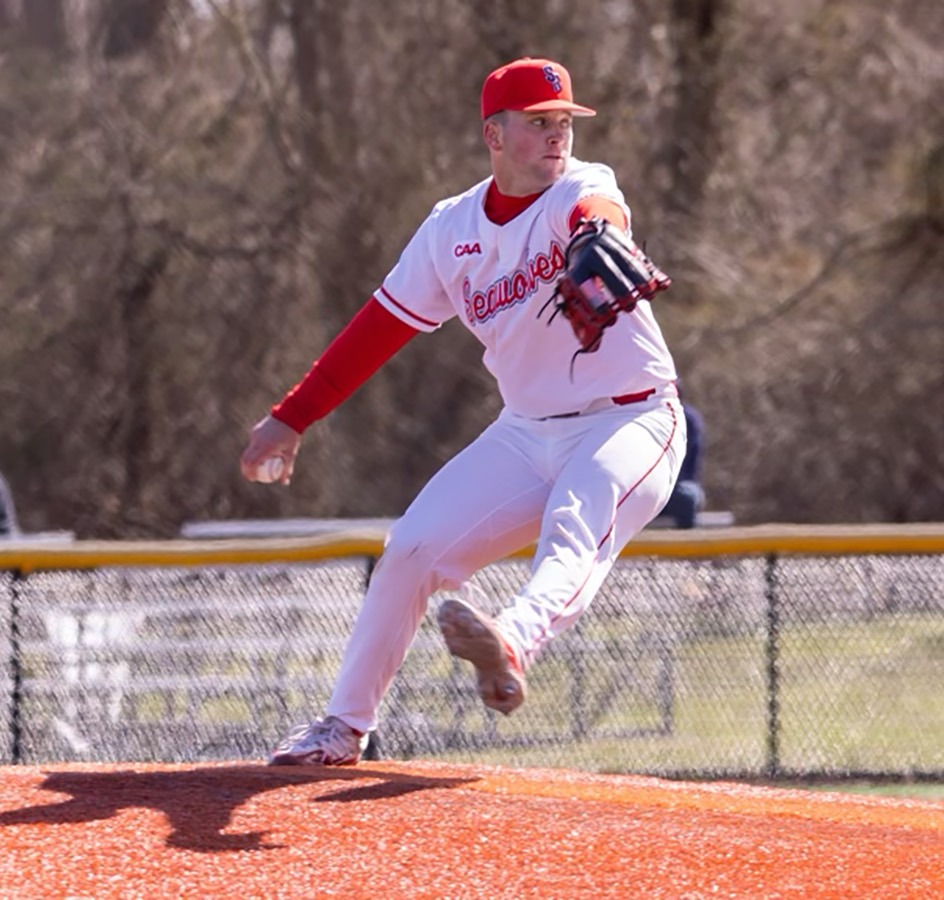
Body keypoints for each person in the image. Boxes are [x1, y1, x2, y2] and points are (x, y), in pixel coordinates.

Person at [240, 57, 688, 766]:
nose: (556, 137)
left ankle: (511, 639)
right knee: (411, 550)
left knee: (576, 529)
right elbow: (379, 327)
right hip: (524, 433)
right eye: (538, 124)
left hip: (630, 421)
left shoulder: (582, 187)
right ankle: (343, 728)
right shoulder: (452, 230)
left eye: (564, 123)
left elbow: (599, 211)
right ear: (494, 133)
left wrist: (595, 237)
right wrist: (293, 416)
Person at [658, 401, 705, 528]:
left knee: (686, 498)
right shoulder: (641, 418)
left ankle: (690, 545)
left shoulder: (687, 418)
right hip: (651, 486)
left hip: (680, 485)